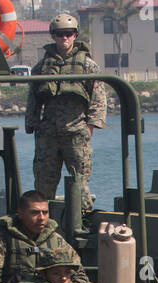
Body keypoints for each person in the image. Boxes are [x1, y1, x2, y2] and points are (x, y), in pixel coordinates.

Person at [27, 13, 107, 207]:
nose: (65, 38)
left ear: (75, 35)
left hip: (76, 133)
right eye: (60, 34)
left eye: (69, 34)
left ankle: (84, 222)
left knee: (79, 186)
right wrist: (33, 125)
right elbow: (33, 99)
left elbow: (98, 98)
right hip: (48, 134)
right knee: (43, 187)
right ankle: (43, 227)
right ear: (53, 35)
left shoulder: (88, 66)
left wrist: (89, 127)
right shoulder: (41, 67)